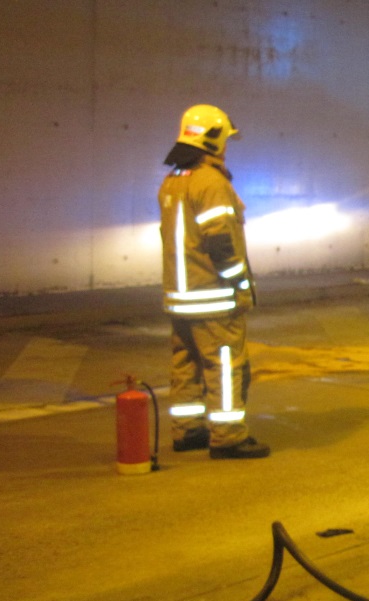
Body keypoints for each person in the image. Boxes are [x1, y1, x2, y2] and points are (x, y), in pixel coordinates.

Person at [159, 104, 269, 459]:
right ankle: (227, 436)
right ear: (215, 138)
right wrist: (240, 283)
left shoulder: (175, 179)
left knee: (186, 364)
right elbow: (221, 239)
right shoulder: (211, 183)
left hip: (181, 295)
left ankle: (187, 431)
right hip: (213, 296)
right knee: (224, 366)